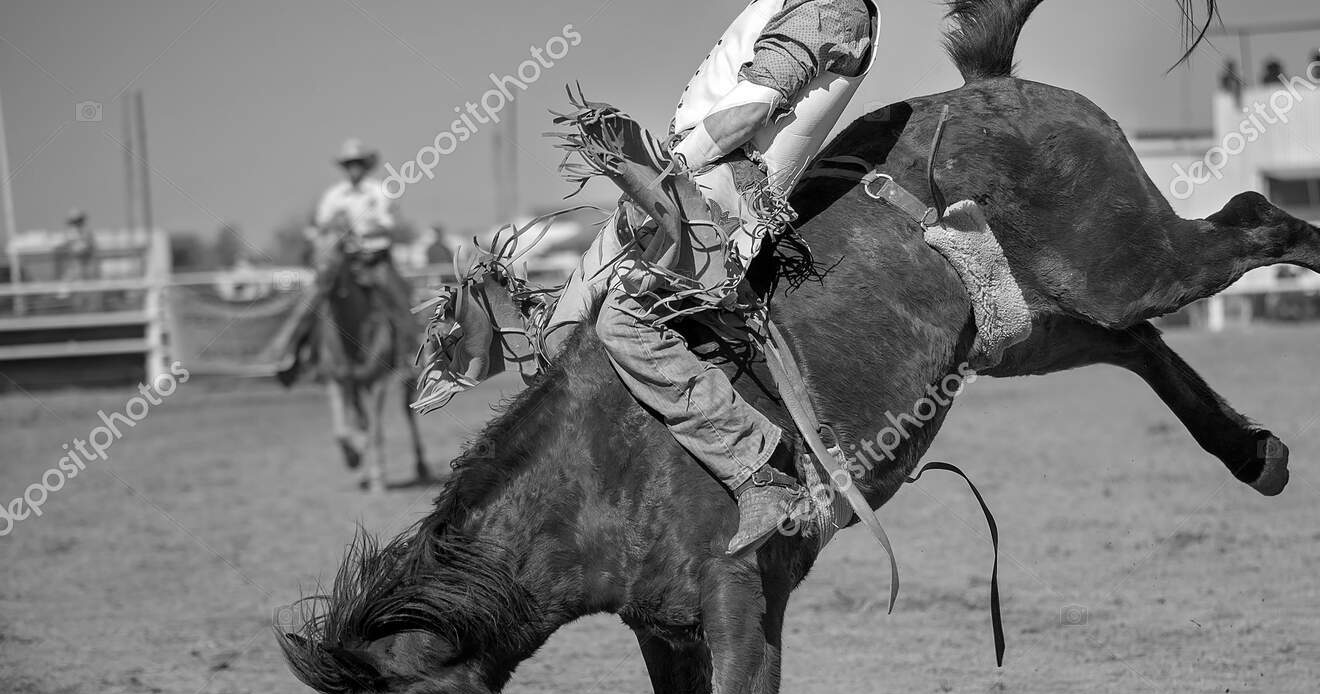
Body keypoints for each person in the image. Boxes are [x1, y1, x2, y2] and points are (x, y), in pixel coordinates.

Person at [421, 1, 879, 556]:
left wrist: (662, 170)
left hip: (722, 196)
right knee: (562, 337)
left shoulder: (833, 6)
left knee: (624, 320)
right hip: (676, 189)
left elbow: (753, 109)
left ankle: (760, 468)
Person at [275, 139, 414, 381]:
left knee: (401, 298)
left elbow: (388, 227)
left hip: (375, 260)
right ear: (344, 167)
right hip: (342, 262)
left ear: (365, 165)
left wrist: (358, 233)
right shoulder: (334, 196)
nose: (354, 168)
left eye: (358, 163)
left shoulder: (379, 191)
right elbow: (320, 227)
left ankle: (410, 356)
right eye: (349, 164)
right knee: (312, 299)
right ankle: (293, 353)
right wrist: (334, 228)